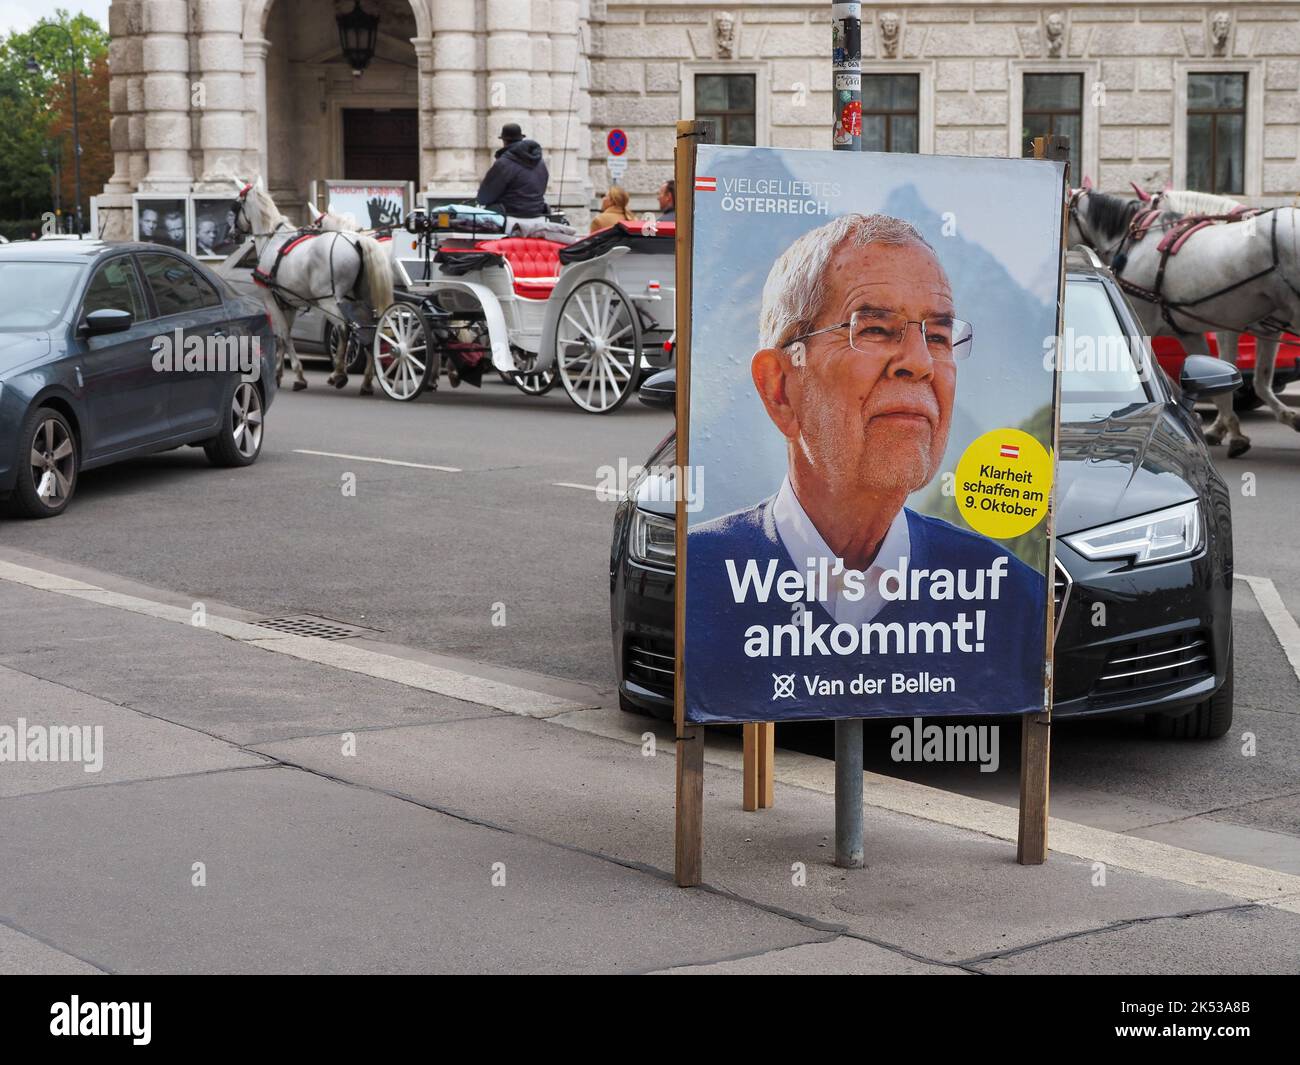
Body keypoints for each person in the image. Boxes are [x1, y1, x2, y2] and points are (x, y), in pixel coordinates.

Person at [685, 212, 1046, 723]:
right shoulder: (695, 582)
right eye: (875, 329)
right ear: (780, 388)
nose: (920, 362)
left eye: (939, 337)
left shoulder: (1014, 600)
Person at [476, 123, 550, 224]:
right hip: (537, 212)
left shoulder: (503, 163)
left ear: (504, 141)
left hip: (510, 214)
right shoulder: (540, 162)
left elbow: (484, 197)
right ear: (521, 139)